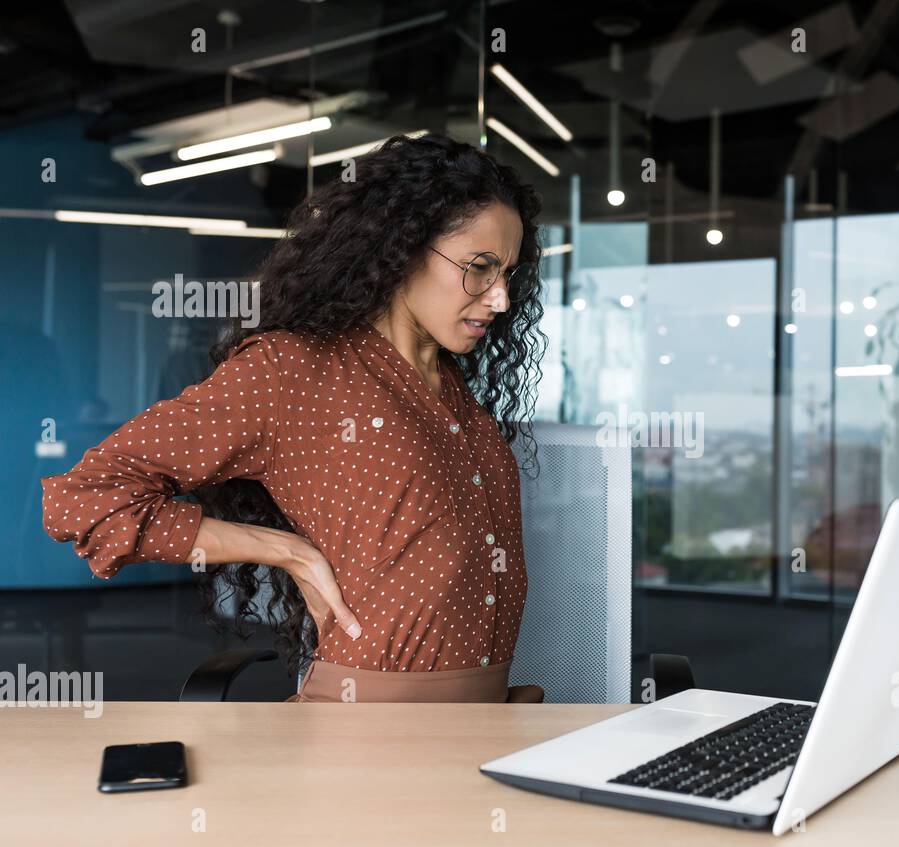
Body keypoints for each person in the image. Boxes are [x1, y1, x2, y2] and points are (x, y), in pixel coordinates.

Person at [41, 133, 548, 703]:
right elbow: (82, 499)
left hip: (486, 721)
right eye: (479, 268)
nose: (501, 298)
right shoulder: (293, 371)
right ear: (403, 248)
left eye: (508, 272)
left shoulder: (455, 390)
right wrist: (287, 551)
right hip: (374, 731)